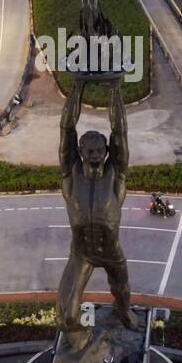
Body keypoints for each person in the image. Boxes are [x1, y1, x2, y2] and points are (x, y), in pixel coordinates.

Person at [57, 78, 136, 343]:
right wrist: (77, 87)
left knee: (123, 294)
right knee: (66, 317)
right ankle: (82, 347)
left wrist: (115, 91)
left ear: (106, 152)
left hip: (111, 252)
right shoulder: (71, 175)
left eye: (99, 150)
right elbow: (66, 128)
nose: (93, 154)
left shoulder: (116, 177)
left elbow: (120, 132)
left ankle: (124, 313)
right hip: (82, 254)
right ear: (80, 150)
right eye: (88, 150)